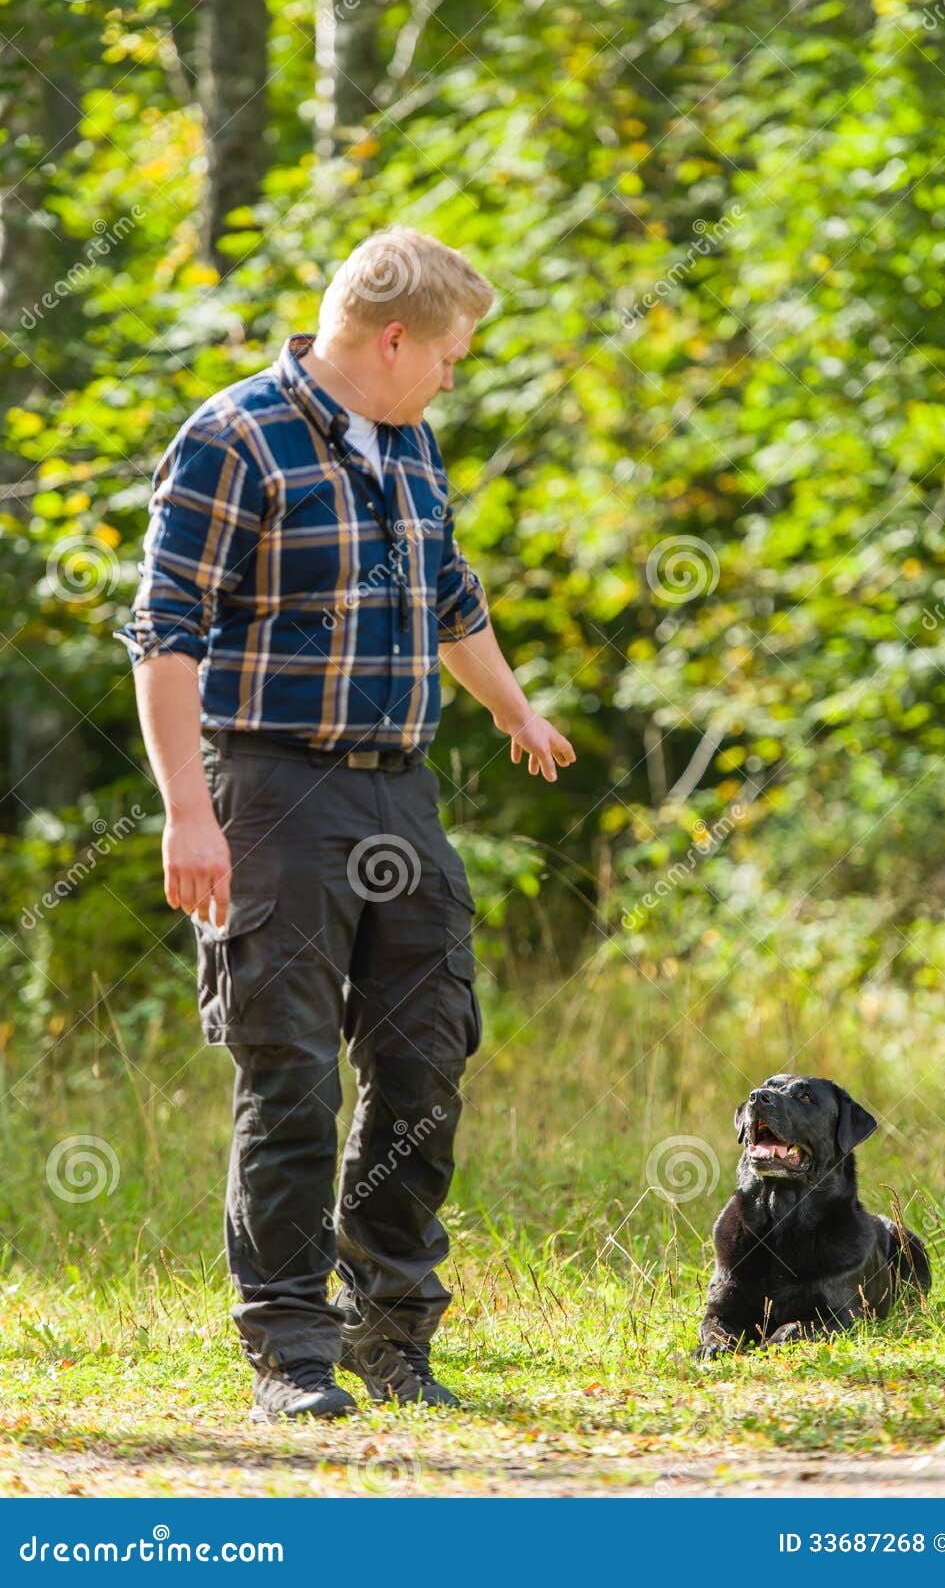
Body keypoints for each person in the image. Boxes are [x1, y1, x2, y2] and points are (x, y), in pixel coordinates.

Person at [116, 227, 576, 1422]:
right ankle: (289, 1351)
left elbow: (450, 597)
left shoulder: (410, 442)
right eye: (450, 357)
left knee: (426, 1055)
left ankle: (393, 1331)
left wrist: (513, 708)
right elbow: (164, 630)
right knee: (290, 1076)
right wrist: (186, 814)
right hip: (269, 790)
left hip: (398, 791)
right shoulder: (234, 438)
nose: (452, 378)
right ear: (393, 340)